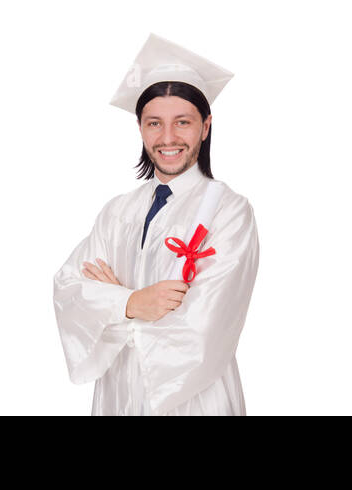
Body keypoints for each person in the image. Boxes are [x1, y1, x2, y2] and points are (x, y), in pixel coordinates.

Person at [52, 34, 259, 415]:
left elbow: (206, 326)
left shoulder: (229, 212)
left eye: (182, 122)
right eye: (154, 123)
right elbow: (69, 288)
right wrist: (133, 302)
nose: (167, 138)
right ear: (140, 127)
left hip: (196, 400)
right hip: (118, 394)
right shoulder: (117, 212)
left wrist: (112, 308)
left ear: (206, 126)